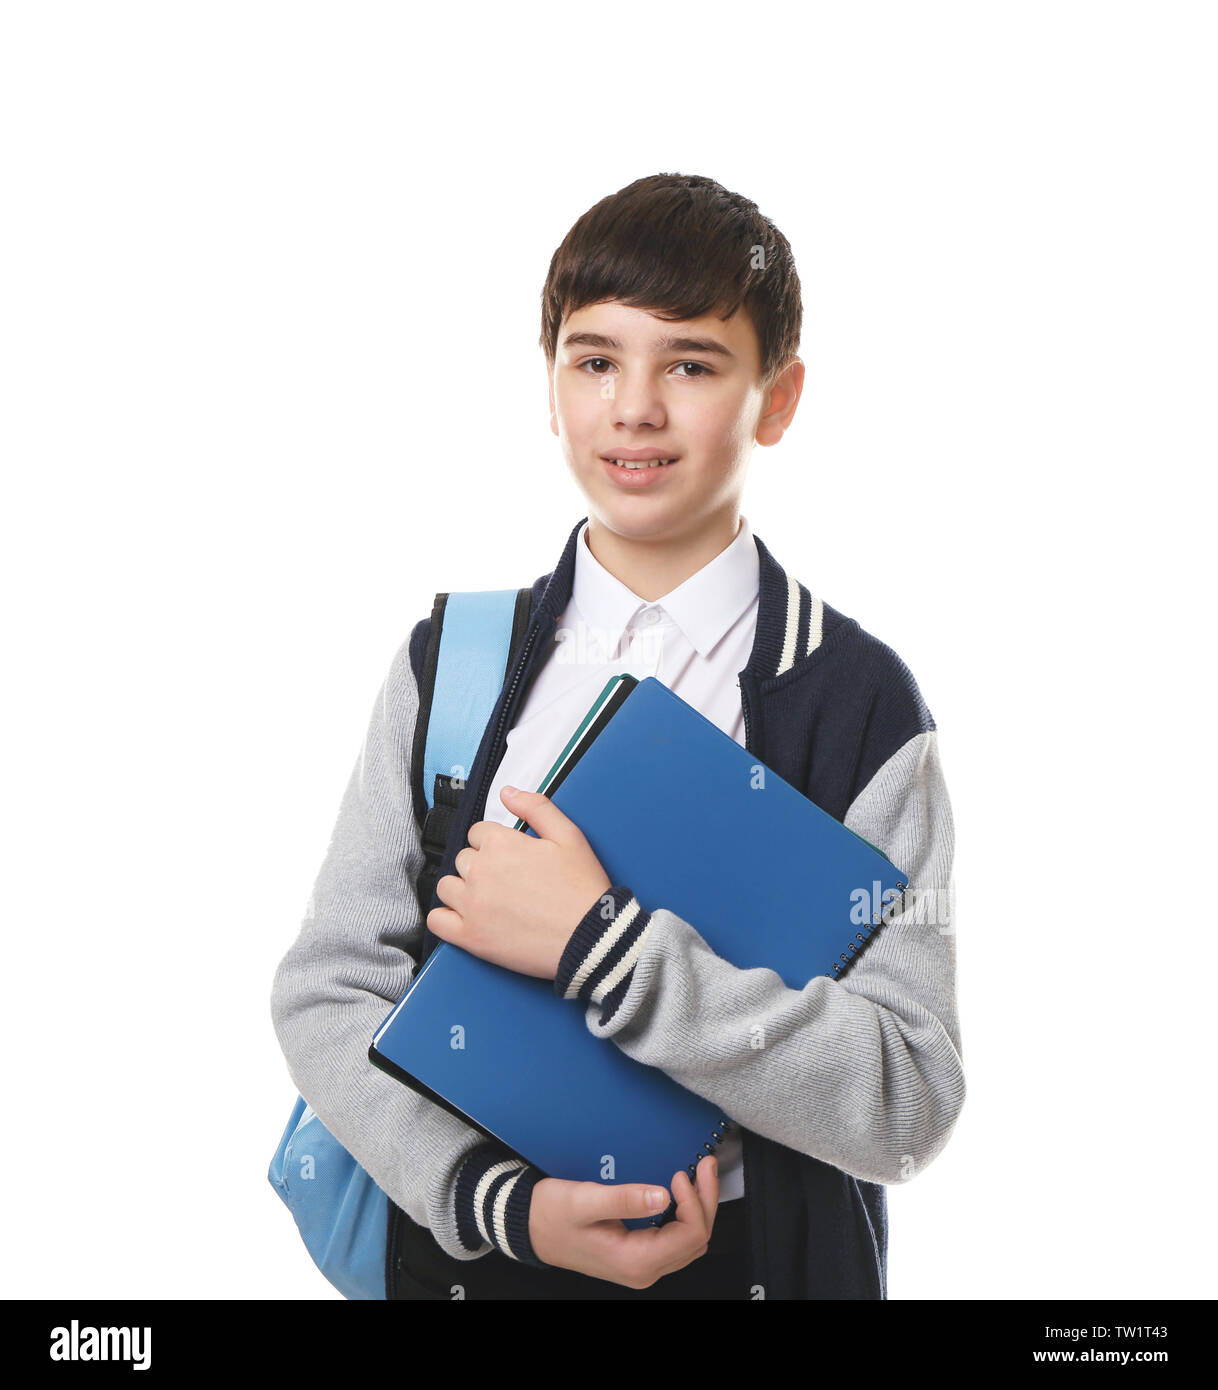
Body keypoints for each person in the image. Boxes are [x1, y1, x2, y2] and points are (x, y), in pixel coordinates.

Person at [271, 172, 964, 1300]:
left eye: (690, 364)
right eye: (595, 361)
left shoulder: (858, 703)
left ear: (776, 399)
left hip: (754, 1269)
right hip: (478, 1261)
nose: (633, 408)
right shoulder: (453, 662)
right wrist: (509, 1208)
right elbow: (324, 989)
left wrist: (602, 947)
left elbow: (908, 1099)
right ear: (551, 388)